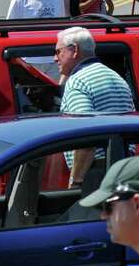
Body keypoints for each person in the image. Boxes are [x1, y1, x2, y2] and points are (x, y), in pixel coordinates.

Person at [56, 27, 134, 187]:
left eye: (58, 52)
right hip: (124, 167)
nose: (55, 58)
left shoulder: (78, 81)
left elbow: (86, 137)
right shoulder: (116, 78)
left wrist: (76, 181)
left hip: (95, 173)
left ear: (75, 50)